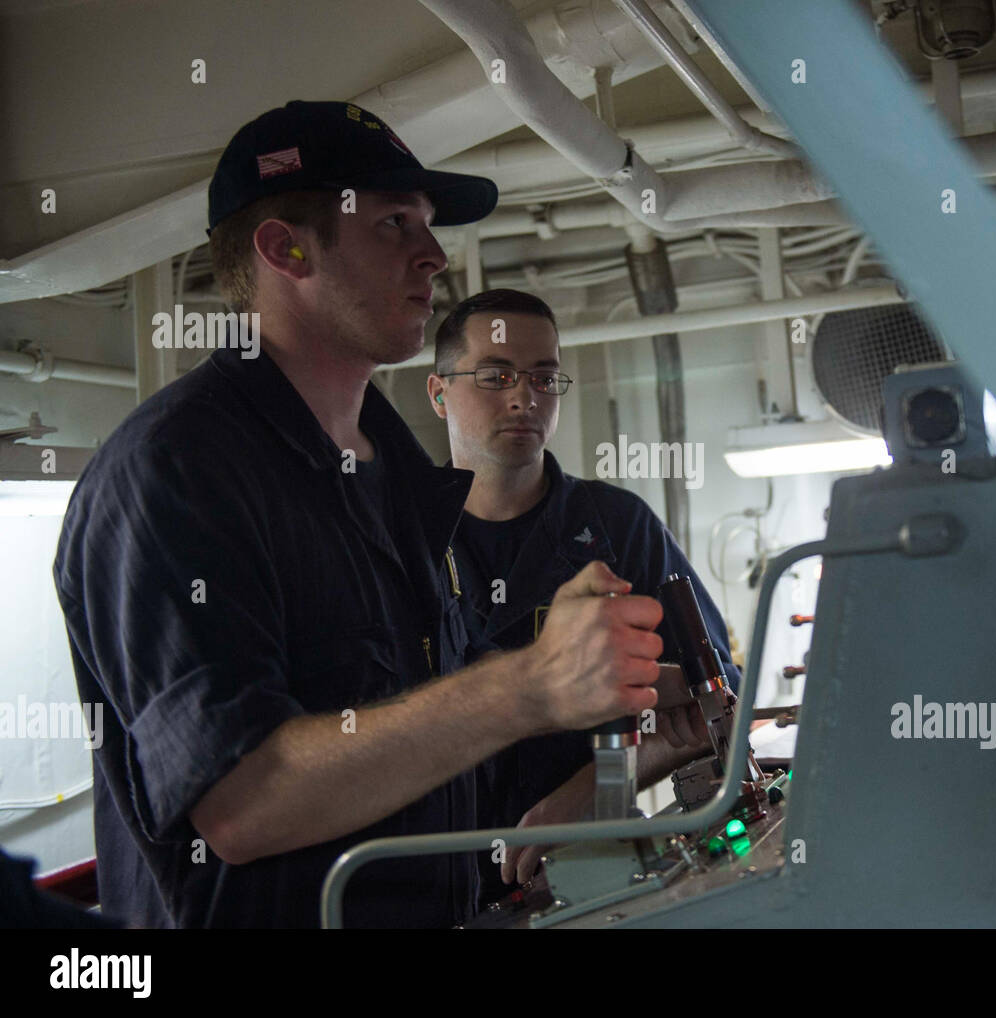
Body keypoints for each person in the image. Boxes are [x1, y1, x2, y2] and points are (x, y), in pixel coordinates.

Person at [52, 102, 667, 929]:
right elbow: (243, 804)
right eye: (391, 223)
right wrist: (531, 685)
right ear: (285, 249)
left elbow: (419, 724)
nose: (434, 254)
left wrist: (628, 715)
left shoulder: (395, 469)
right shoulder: (174, 472)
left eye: (427, 224)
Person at [427, 288, 739, 899]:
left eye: (545, 377)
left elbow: (717, 701)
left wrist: (588, 793)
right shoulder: (393, 536)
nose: (525, 397)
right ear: (439, 394)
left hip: (592, 872)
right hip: (427, 878)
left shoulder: (618, 529)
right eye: (496, 375)